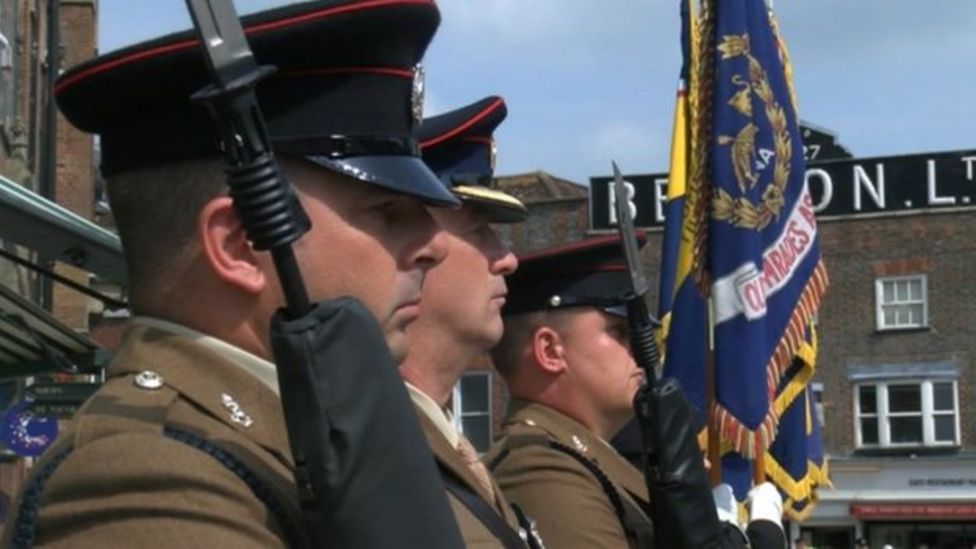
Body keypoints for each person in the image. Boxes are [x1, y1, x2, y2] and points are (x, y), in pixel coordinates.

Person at [1, 1, 459, 547]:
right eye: (387, 212)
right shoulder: (148, 474)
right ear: (241, 244)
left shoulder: (287, 430)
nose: (434, 247)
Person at [487, 235, 788, 548]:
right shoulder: (540, 472)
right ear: (550, 350)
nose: (643, 349)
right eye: (619, 331)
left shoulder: (594, 460)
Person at [400, 96, 532, 547]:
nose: (507, 259)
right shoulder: (377, 445)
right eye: (479, 232)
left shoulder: (438, 436)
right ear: (414, 247)